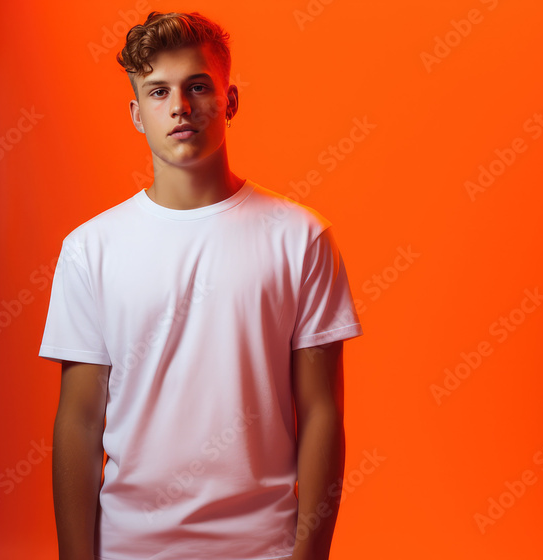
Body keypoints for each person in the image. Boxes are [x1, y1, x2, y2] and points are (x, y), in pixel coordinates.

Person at [38, 11, 363, 560]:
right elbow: (80, 418)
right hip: (128, 549)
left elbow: (322, 413)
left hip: (265, 548)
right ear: (137, 114)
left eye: (197, 87)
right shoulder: (90, 248)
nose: (180, 107)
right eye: (159, 91)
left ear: (229, 101)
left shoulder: (301, 238)